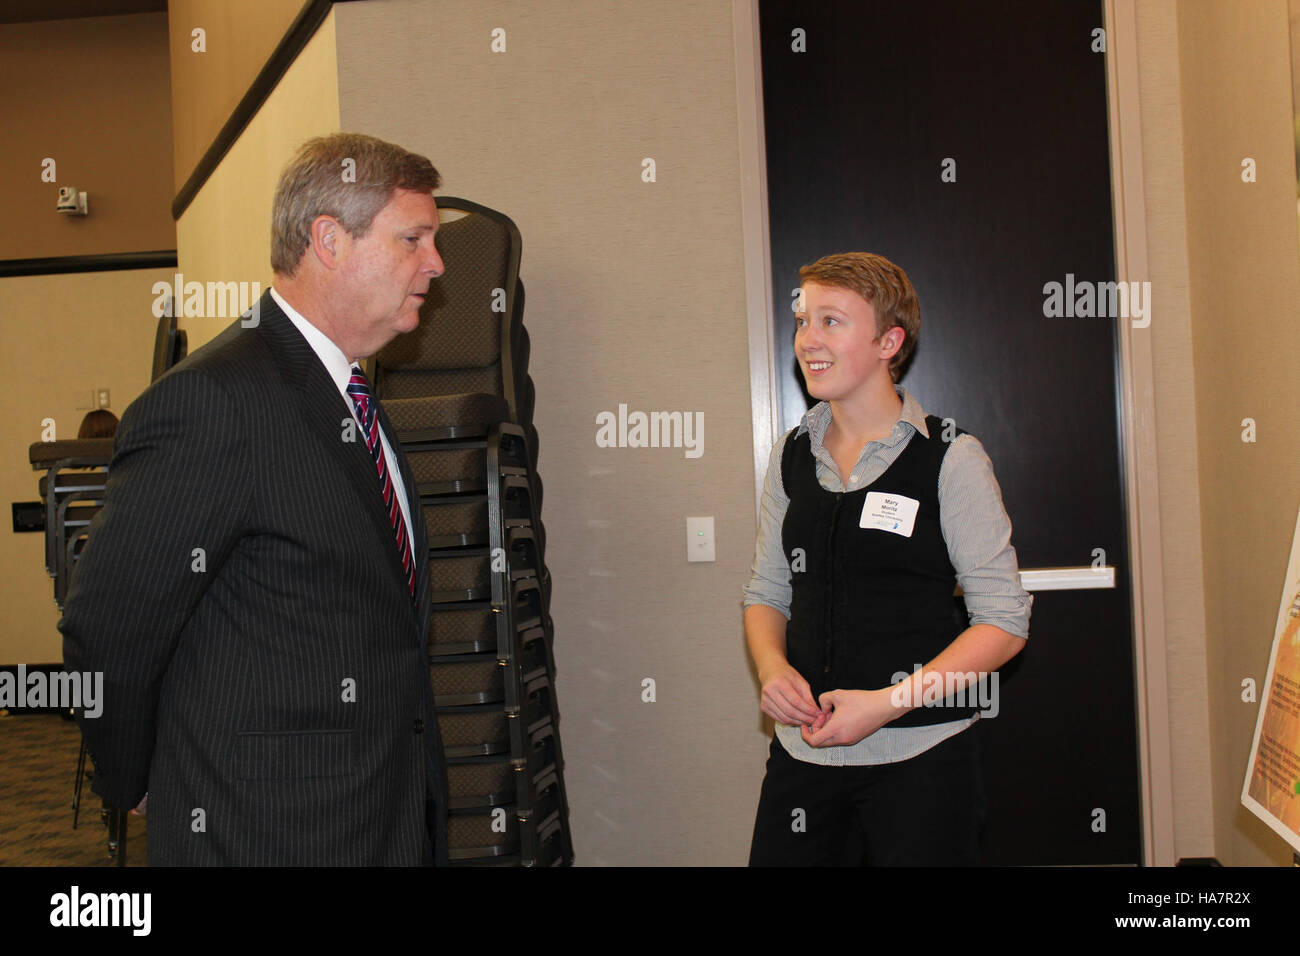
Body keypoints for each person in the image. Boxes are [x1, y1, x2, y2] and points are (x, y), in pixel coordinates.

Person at [60, 132, 449, 865]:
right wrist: (134, 777)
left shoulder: (352, 395)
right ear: (330, 240)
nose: (436, 262)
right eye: (414, 238)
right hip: (267, 832)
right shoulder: (213, 401)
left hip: (379, 814)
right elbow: (108, 623)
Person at [742, 252, 1032, 865]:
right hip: (804, 761)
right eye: (803, 321)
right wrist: (771, 670)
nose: (807, 340)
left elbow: (1004, 625)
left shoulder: (950, 459)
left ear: (888, 341)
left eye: (832, 322)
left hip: (921, 767)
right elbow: (767, 593)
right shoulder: (792, 456)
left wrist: (883, 705)